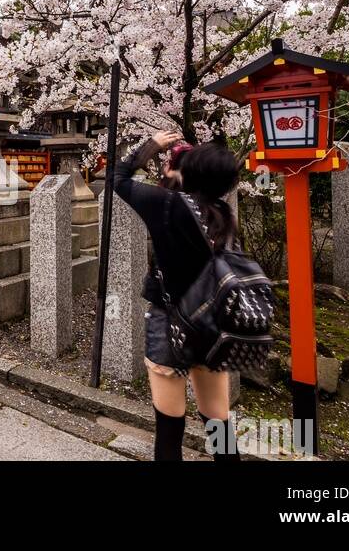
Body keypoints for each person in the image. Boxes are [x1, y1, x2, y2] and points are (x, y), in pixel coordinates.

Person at [114, 131, 240, 462]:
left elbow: (117, 176)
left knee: (170, 428)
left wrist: (150, 145)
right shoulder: (222, 214)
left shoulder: (165, 204)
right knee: (218, 421)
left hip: (171, 322)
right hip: (213, 325)